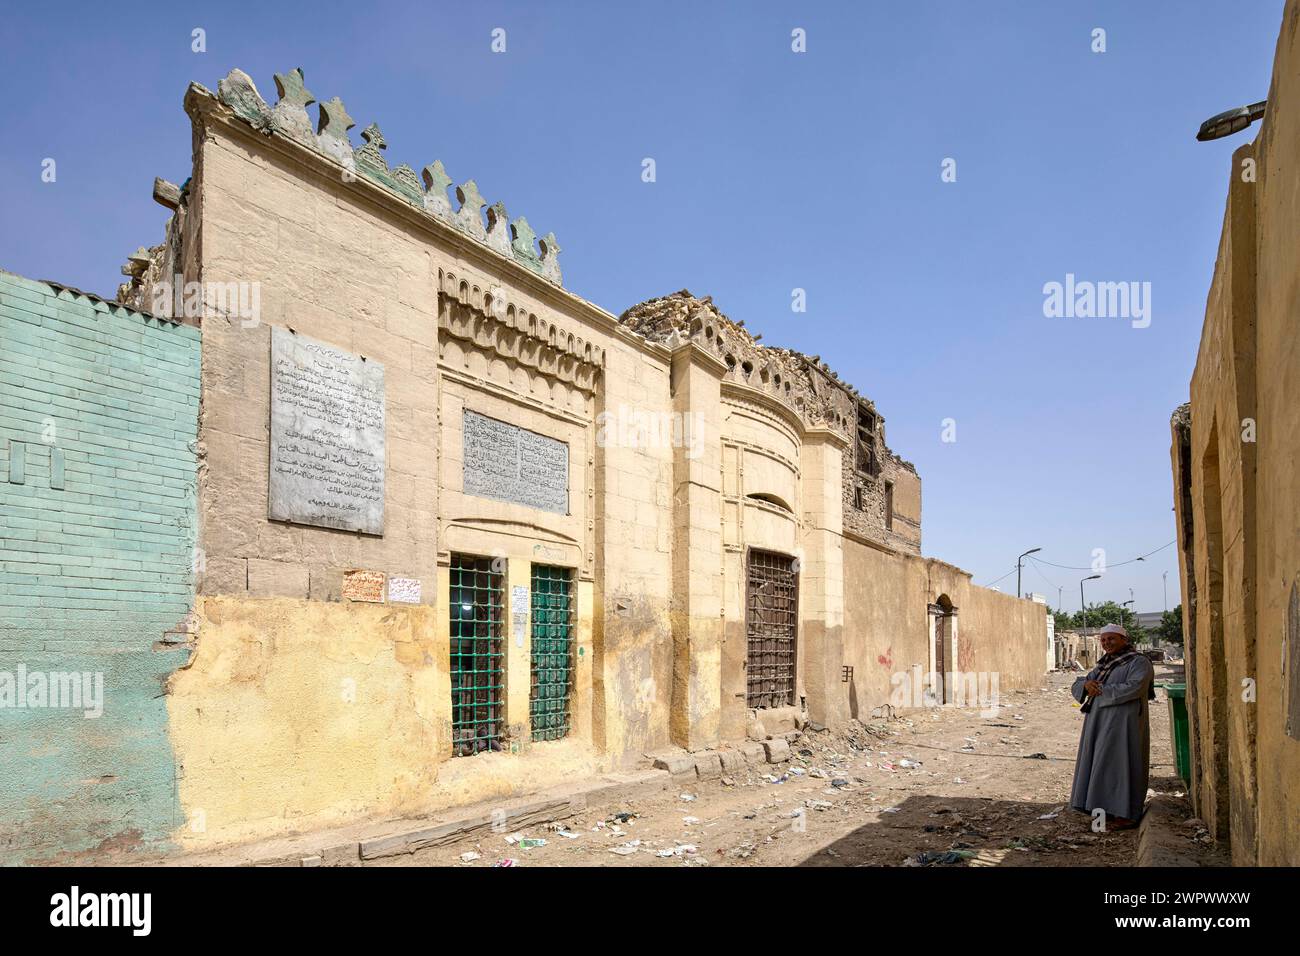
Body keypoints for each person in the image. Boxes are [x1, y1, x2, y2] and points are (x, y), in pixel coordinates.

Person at [1069, 623, 1155, 829]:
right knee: (1101, 764)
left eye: (1112, 639)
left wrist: (1101, 691)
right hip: (1098, 724)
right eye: (1104, 640)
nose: (1107, 643)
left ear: (1124, 640)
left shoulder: (1139, 662)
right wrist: (1086, 686)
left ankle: (1127, 814)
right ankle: (1102, 810)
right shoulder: (1103, 665)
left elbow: (1135, 687)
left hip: (1125, 725)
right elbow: (1081, 683)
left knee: (1123, 765)